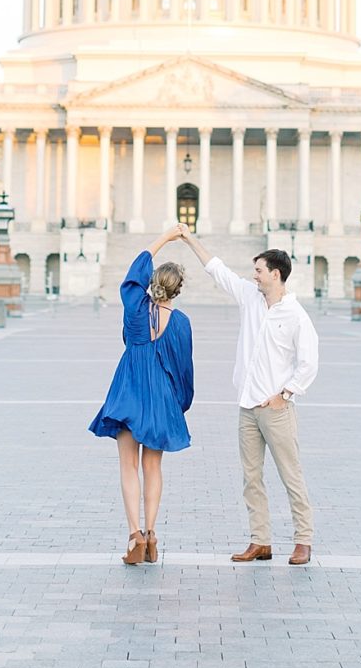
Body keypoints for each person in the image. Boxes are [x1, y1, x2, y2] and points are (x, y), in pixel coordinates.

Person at [175, 229, 319, 565]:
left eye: (258, 270)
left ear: (275, 274)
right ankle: (260, 541)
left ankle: (303, 540)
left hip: (276, 409)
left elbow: (309, 362)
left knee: (291, 475)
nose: (253, 275)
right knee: (251, 478)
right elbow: (217, 269)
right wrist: (189, 239)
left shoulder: (295, 315)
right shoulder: (250, 298)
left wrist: (286, 394)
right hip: (247, 406)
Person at [86, 226, 196, 566]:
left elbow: (136, 267)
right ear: (178, 289)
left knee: (128, 465)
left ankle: (133, 533)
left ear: (152, 283)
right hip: (160, 396)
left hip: (129, 389)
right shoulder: (181, 323)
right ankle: (151, 534)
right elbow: (184, 371)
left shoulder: (135, 307)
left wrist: (166, 237)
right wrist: (178, 405)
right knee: (153, 467)